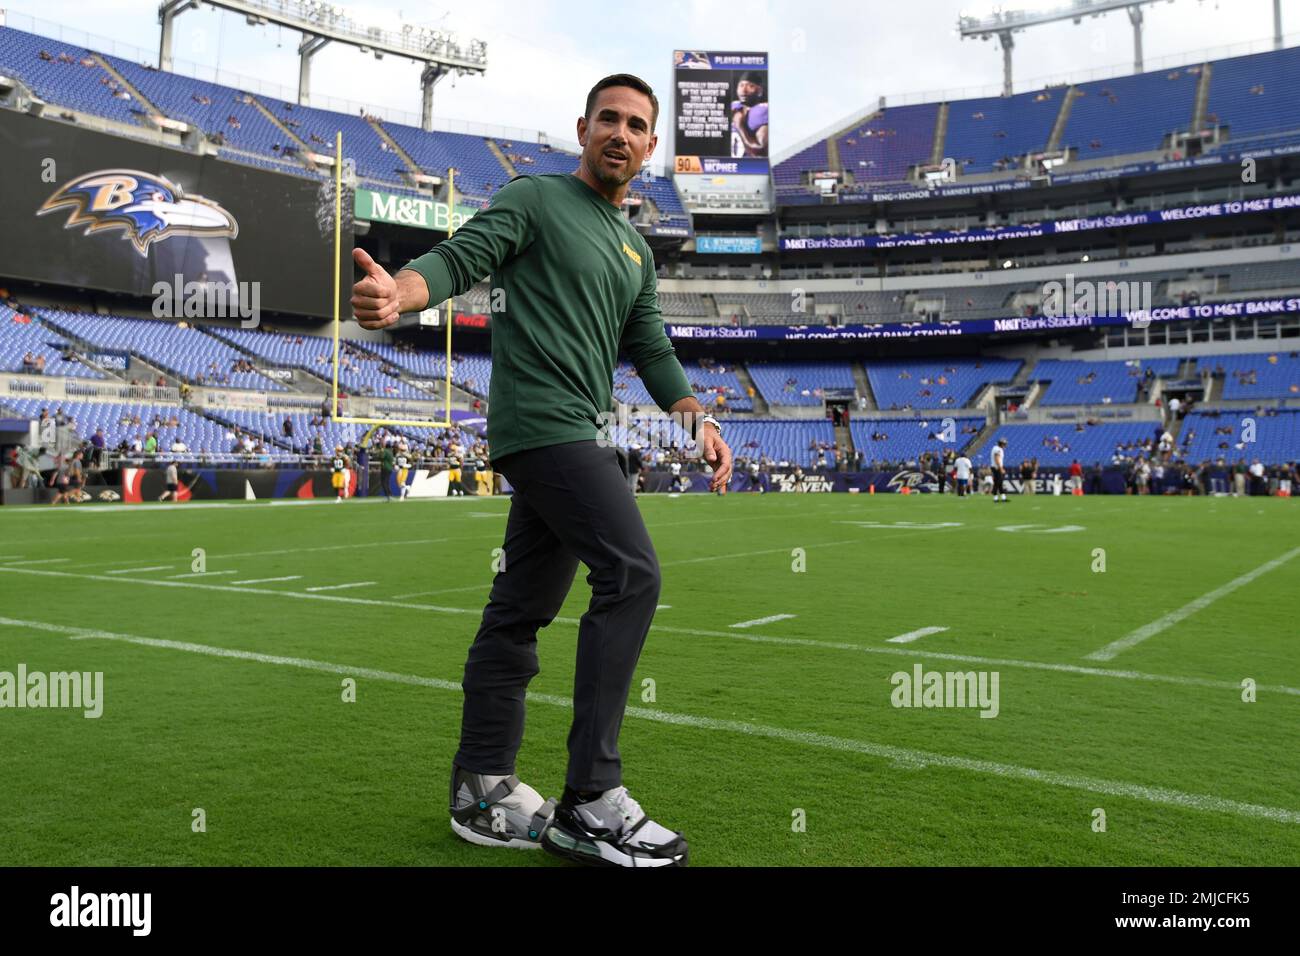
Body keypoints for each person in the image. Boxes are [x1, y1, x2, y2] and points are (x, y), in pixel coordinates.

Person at [350, 73, 731, 868]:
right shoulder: (536, 200)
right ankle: (592, 801)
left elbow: (651, 349)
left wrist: (698, 422)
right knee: (633, 574)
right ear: (583, 128)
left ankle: (480, 788)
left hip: (581, 431)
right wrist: (403, 292)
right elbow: (460, 259)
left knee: (520, 609)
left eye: (636, 125)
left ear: (651, 147)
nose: (620, 133)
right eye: (608, 120)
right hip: (547, 429)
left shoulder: (634, 250)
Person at [990, 438, 1008, 502]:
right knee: (997, 483)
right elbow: (996, 458)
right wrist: (1001, 468)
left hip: (996, 467)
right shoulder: (997, 449)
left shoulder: (997, 448)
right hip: (996, 467)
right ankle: (995, 498)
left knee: (1000, 483)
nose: (1005, 445)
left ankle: (1003, 498)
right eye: (1004, 444)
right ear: (1002, 444)